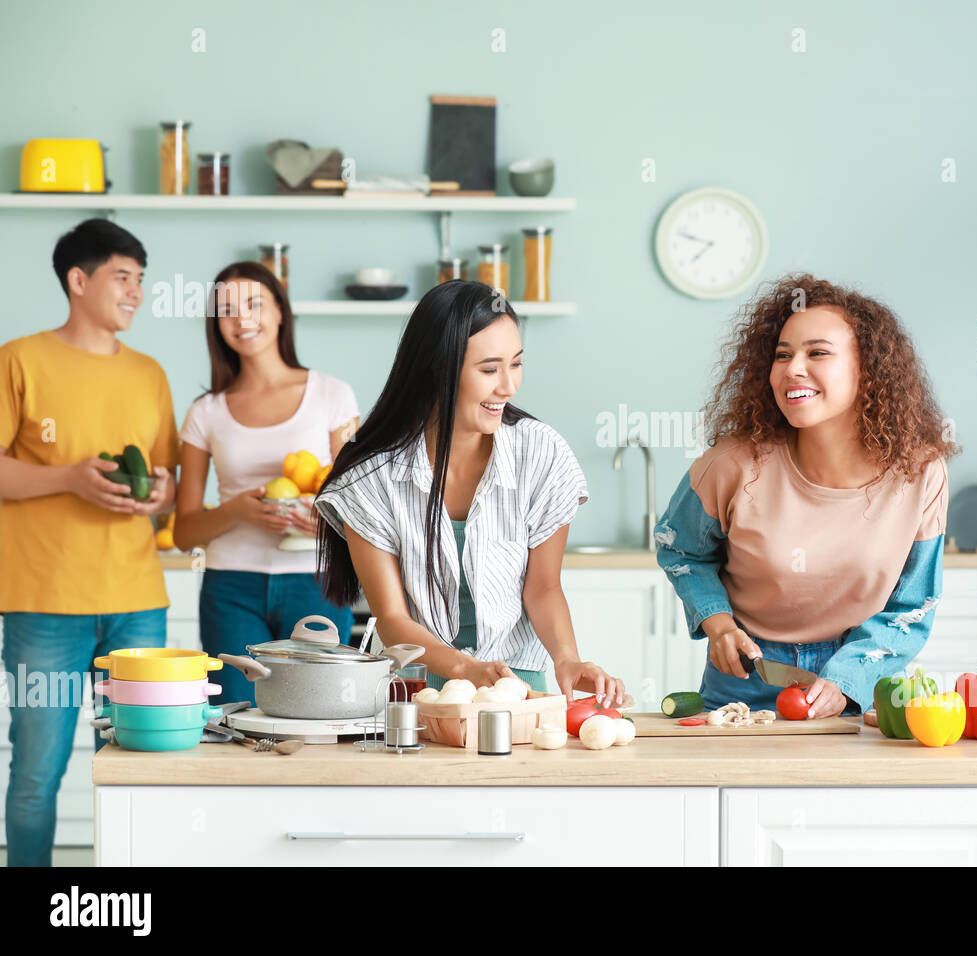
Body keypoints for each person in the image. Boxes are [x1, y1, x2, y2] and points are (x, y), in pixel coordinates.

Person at [656, 274, 954, 717]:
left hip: (862, 686)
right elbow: (678, 547)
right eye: (782, 355)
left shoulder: (920, 472)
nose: (793, 368)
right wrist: (717, 624)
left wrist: (847, 679)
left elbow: (912, 606)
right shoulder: (733, 464)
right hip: (746, 677)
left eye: (817, 353)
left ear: (867, 370)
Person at [315, 280, 626, 704]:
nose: (509, 386)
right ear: (437, 368)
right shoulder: (373, 478)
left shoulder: (540, 453)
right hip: (415, 687)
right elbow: (391, 618)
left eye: (516, 364)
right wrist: (465, 669)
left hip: (517, 682)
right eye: (489, 369)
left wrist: (567, 659)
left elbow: (543, 588)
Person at [0, 219, 178, 866]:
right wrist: (68, 479)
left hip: (137, 602)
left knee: (141, 771)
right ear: (79, 281)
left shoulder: (150, 373)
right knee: (35, 775)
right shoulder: (19, 360)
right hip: (43, 605)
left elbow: (164, 480)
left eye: (141, 281)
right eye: (121, 278)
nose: (135, 292)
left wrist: (159, 493)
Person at [173, 262, 359, 706]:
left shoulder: (333, 395)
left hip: (315, 581)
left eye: (255, 304)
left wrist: (324, 527)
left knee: (317, 716)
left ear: (280, 311)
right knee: (235, 721)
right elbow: (183, 532)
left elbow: (362, 510)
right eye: (228, 310)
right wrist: (237, 510)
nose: (243, 318)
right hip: (230, 587)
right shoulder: (206, 411)